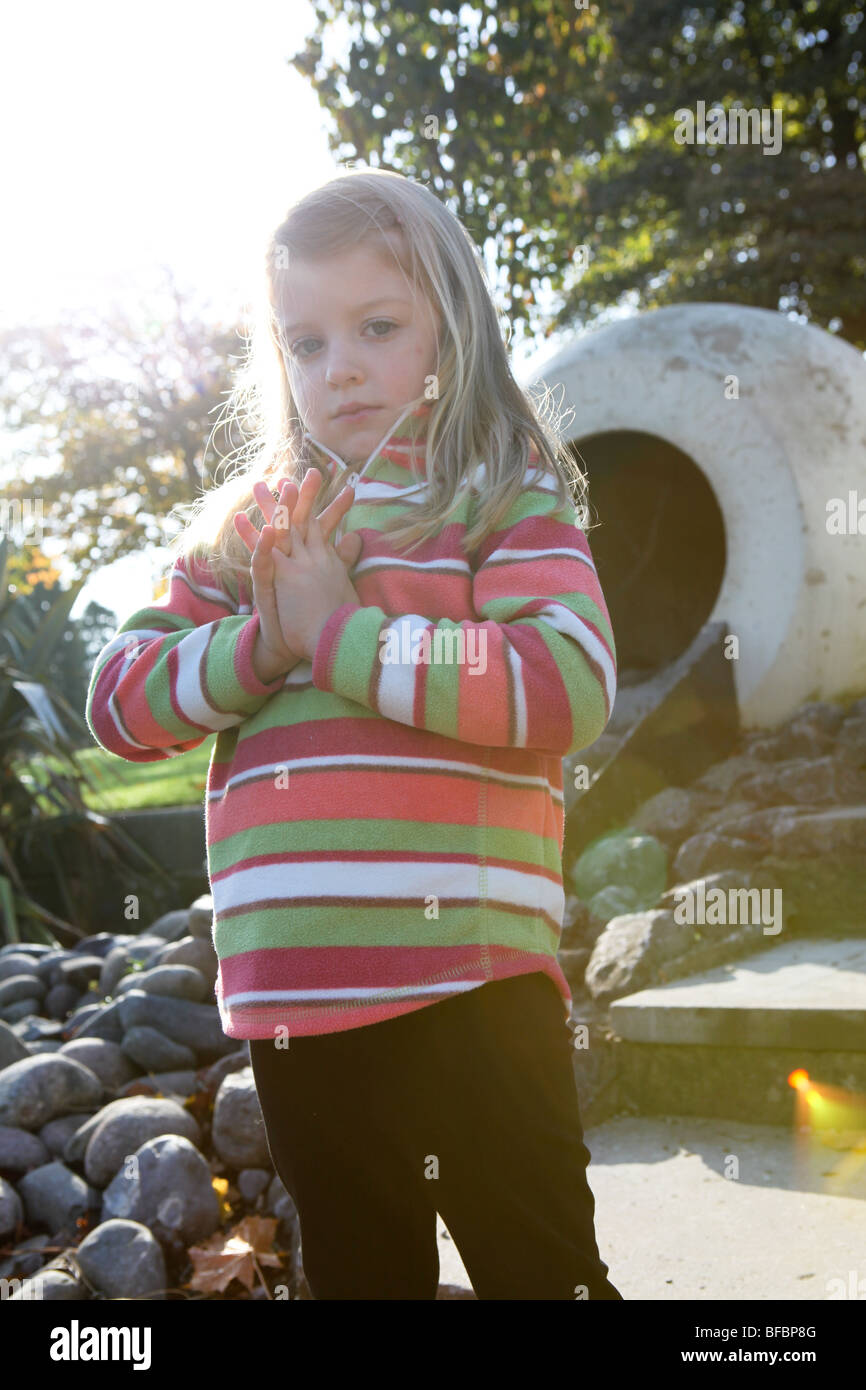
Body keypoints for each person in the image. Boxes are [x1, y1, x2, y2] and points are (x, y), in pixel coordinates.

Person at [86, 167, 621, 1301]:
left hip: (469, 981)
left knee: (540, 1271)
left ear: (449, 327)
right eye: (307, 341)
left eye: (377, 327)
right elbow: (120, 700)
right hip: (298, 1006)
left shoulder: (491, 491)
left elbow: (565, 681)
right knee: (363, 1275)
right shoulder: (252, 526)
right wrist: (264, 648)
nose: (341, 367)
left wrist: (340, 638)